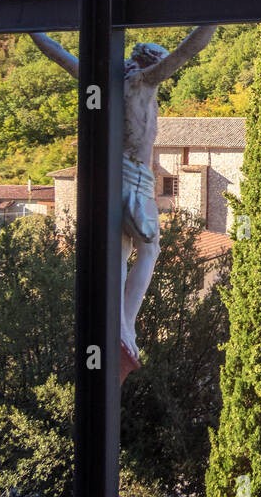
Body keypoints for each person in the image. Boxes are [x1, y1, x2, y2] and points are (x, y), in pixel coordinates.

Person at [31, 25, 216, 383]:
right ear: (152, 63)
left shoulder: (101, 78)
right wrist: (213, 19)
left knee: (118, 252)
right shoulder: (144, 83)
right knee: (150, 247)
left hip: (104, 177)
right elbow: (187, 51)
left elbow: (57, 52)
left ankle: (116, 326)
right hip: (133, 178)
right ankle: (125, 326)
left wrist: (30, 28)